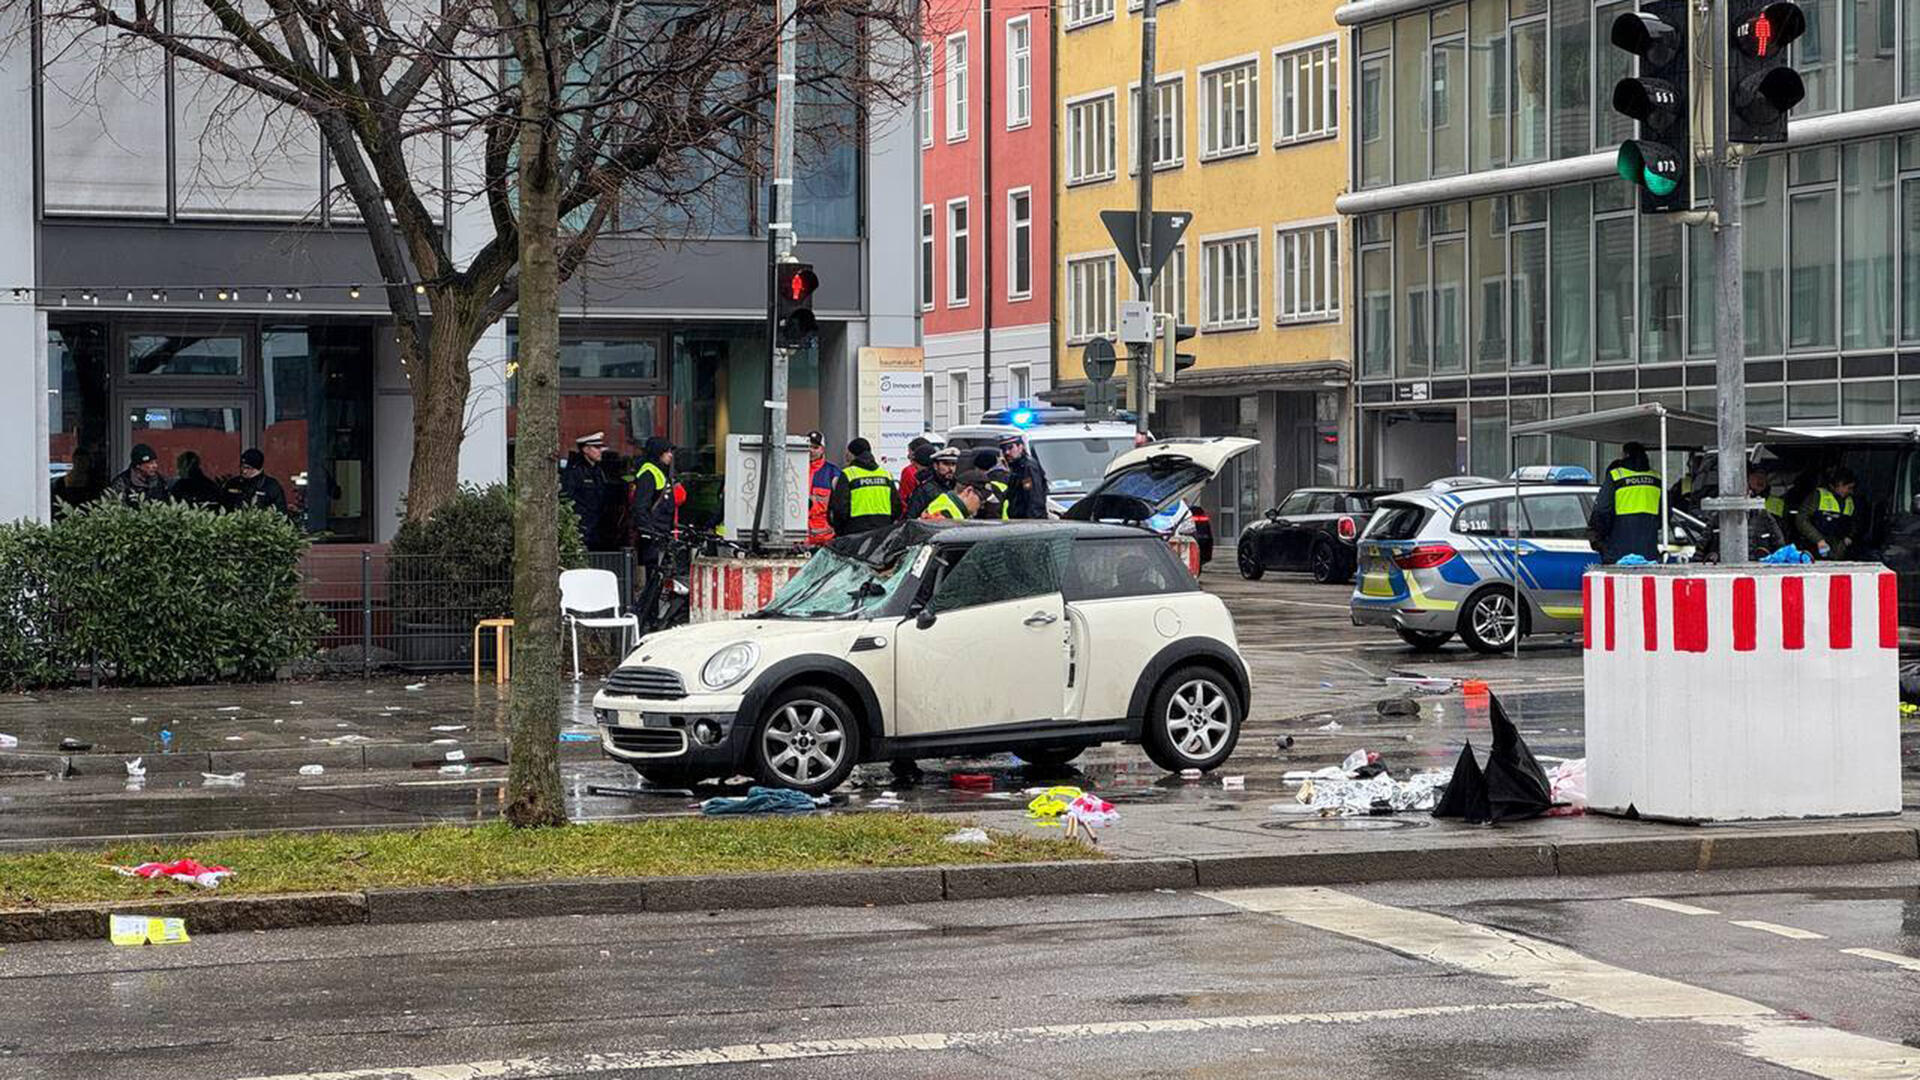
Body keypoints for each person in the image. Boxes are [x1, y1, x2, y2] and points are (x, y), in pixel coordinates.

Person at [1588, 441, 1662, 564]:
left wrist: (1599, 538)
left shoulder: (1617, 476)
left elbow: (1602, 510)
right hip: (1649, 548)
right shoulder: (1657, 478)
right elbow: (1666, 513)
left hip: (1618, 547)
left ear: (1626, 455)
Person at [631, 436, 677, 629]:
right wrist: (650, 531)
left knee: (658, 581)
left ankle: (651, 617)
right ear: (659, 453)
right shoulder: (649, 473)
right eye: (668, 451)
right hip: (653, 537)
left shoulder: (659, 471)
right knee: (652, 581)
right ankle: (647, 620)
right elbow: (641, 506)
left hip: (661, 534)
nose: (671, 455)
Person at [828, 437, 903, 536]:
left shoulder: (848, 474)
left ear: (852, 454)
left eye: (847, 453)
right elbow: (896, 507)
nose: (846, 456)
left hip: (855, 532)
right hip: (882, 531)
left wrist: (841, 531)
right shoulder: (885, 475)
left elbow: (840, 508)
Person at [560, 432, 617, 551]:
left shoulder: (598, 471)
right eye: (596, 448)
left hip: (598, 529)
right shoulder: (574, 472)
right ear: (586, 449)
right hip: (582, 528)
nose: (600, 451)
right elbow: (568, 499)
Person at [1796, 466, 1858, 560]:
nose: (1850, 491)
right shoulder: (1818, 496)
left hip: (1837, 552)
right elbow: (1801, 520)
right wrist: (1818, 539)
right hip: (1813, 548)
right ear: (1839, 484)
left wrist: (1849, 536)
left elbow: (1853, 523)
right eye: (1848, 487)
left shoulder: (1850, 501)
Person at [222, 448, 290, 517]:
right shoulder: (233, 483)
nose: (244, 471)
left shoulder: (270, 486)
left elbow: (281, 513)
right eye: (242, 467)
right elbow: (223, 505)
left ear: (258, 468)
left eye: (248, 468)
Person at [1000, 432, 1050, 519]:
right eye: (1003, 449)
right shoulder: (1017, 467)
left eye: (1010, 447)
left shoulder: (1027, 467)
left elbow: (1034, 498)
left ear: (1020, 447)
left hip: (1028, 522)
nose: (1007, 452)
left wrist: (1033, 523)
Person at [806, 430, 843, 547]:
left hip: (825, 539)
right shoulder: (793, 470)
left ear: (822, 449)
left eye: (815, 447)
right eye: (808, 447)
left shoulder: (833, 473)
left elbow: (840, 506)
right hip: (799, 540)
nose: (811, 450)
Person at [905, 446, 960, 518]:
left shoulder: (958, 487)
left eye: (953, 464)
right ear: (935, 466)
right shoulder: (925, 490)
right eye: (946, 464)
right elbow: (911, 518)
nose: (951, 469)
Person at [50, 448, 102, 520]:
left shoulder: (94, 483)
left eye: (85, 461)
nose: (81, 464)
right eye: (79, 460)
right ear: (74, 461)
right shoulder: (60, 483)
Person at [921, 469, 992, 520]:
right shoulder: (945, 514)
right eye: (981, 500)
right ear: (968, 491)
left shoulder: (951, 507)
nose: (982, 506)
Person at [898, 436, 934, 506]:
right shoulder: (938, 473)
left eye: (910, 453)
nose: (908, 456)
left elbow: (904, 498)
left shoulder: (908, 471)